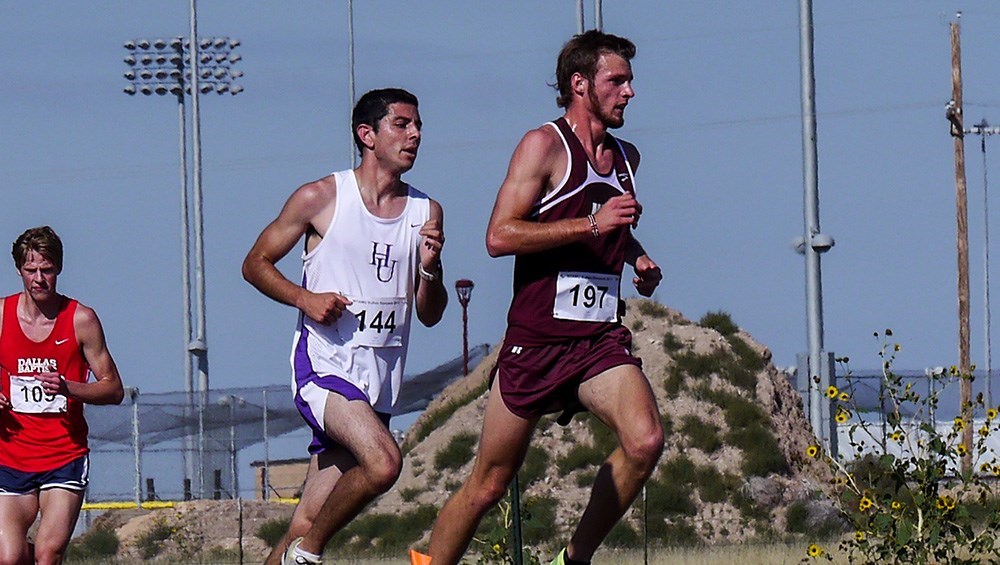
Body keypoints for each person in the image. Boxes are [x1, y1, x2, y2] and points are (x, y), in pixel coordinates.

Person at [422, 31, 664, 565]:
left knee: (645, 441)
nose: (629, 92)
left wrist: (638, 258)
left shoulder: (627, 158)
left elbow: (610, 227)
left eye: (630, 81)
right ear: (580, 84)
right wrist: (594, 224)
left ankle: (571, 561)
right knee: (489, 484)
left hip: (598, 341)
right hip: (536, 343)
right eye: (616, 81)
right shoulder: (543, 145)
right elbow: (499, 236)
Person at [243, 87, 448, 565]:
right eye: (402, 124)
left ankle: (301, 545)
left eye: (418, 125)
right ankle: (309, 555)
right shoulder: (321, 197)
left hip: (379, 385)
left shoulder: (426, 212)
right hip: (325, 369)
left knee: (306, 519)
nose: (415, 135)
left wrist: (431, 270)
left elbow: (430, 313)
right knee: (384, 463)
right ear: (367, 135)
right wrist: (305, 299)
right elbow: (255, 263)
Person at [0, 226, 125, 565]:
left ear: (59, 268)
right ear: (19, 270)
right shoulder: (1, 316)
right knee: (9, 557)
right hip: (10, 456)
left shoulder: (81, 319)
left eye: (47, 269)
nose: (39, 279)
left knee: (48, 553)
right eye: (31, 270)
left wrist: (68, 387)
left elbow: (113, 388)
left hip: (62, 455)